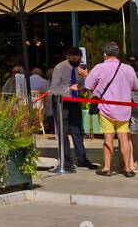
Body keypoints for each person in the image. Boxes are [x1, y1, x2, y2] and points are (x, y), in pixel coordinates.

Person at [84, 42, 138, 177]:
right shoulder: (128, 69)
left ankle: (107, 168)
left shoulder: (99, 68)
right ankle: (128, 168)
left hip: (106, 108)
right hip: (124, 109)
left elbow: (88, 85)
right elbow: (136, 86)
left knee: (108, 138)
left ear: (104, 54)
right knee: (124, 138)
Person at [49, 46, 94, 170]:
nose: (76, 62)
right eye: (73, 59)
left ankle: (82, 159)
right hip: (61, 103)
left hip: (75, 101)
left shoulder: (81, 68)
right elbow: (54, 89)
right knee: (63, 132)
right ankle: (66, 161)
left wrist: (83, 83)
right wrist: (69, 88)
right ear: (67, 57)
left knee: (78, 131)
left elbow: (86, 85)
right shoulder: (60, 68)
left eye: (78, 60)